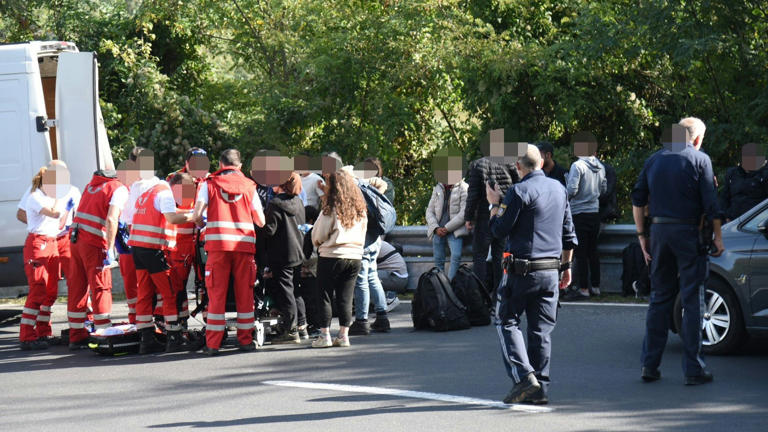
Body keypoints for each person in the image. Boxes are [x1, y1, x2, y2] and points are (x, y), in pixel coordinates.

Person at [631, 118, 724, 386]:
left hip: (659, 233)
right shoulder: (700, 160)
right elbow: (711, 205)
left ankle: (649, 365)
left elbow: (638, 199)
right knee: (693, 299)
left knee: (659, 298)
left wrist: (641, 236)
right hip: (687, 234)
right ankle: (693, 369)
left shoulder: (654, 159)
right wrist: (718, 238)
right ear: (696, 139)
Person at [487, 144, 576, 405]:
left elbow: (499, 230)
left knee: (506, 320)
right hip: (551, 271)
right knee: (540, 332)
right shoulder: (559, 188)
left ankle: (525, 377)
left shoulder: (518, 191)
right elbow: (569, 235)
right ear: (540, 162)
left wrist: (495, 204)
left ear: (518, 166)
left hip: (522, 270)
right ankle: (541, 388)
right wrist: (566, 267)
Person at [193, 149, 265, 355]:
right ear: (240, 166)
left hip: (217, 247)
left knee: (216, 295)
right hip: (243, 247)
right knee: (245, 294)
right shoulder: (250, 186)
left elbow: (197, 215)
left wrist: (203, 225)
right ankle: (245, 341)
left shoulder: (208, 184)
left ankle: (213, 344)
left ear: (220, 164)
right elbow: (261, 220)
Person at [128, 175, 194, 353]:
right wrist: (193, 216)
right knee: (169, 292)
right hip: (153, 249)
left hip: (138, 249)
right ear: (177, 187)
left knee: (144, 292)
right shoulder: (165, 194)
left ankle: (146, 339)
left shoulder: (148, 193)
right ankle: (174, 338)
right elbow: (172, 218)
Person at [16, 160, 81, 343]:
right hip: (40, 243)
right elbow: (53, 213)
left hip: (55, 241)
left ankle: (43, 332)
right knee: (38, 289)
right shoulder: (36, 196)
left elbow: (64, 220)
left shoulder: (68, 191)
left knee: (50, 291)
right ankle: (27, 335)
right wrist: (60, 200)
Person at [66, 162, 129, 349]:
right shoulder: (118, 188)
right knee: (101, 287)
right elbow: (111, 218)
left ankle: (76, 335)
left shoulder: (92, 185)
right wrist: (109, 250)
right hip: (94, 243)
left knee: (78, 287)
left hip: (76, 240)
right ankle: (103, 333)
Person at [311, 171, 367, 348]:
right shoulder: (360, 210)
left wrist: (317, 242)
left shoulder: (331, 208)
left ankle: (325, 335)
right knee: (346, 297)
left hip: (332, 255)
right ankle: (343, 335)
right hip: (355, 256)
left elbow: (318, 234)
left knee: (325, 295)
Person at [464, 131, 520, 295]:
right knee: (499, 256)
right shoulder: (510, 164)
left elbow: (472, 194)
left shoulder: (477, 165)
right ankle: (499, 292)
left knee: (480, 256)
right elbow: (518, 188)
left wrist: (468, 217)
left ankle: (480, 295)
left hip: (484, 214)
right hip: (504, 213)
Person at [261, 172, 307, 344]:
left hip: (281, 253)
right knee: (296, 289)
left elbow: (270, 231)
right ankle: (302, 326)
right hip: (298, 251)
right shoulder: (299, 202)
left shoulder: (275, 204)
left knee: (286, 291)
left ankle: (290, 329)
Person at [564, 132, 606, 299]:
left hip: (578, 212)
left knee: (581, 253)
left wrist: (565, 195)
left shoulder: (578, 166)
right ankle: (596, 287)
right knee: (593, 251)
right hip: (594, 212)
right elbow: (603, 190)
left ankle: (583, 289)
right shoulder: (601, 166)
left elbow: (572, 190)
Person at [426, 155, 469, 280]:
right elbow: (429, 211)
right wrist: (435, 227)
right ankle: (440, 285)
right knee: (438, 260)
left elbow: (464, 213)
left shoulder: (464, 188)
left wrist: (447, 228)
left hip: (454, 230)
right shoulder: (438, 187)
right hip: (438, 230)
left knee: (456, 256)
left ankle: (450, 285)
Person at [719, 143, 768, 222]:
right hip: (732, 221)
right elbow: (724, 198)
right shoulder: (732, 174)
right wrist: (725, 216)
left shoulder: (764, 175)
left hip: (755, 222)